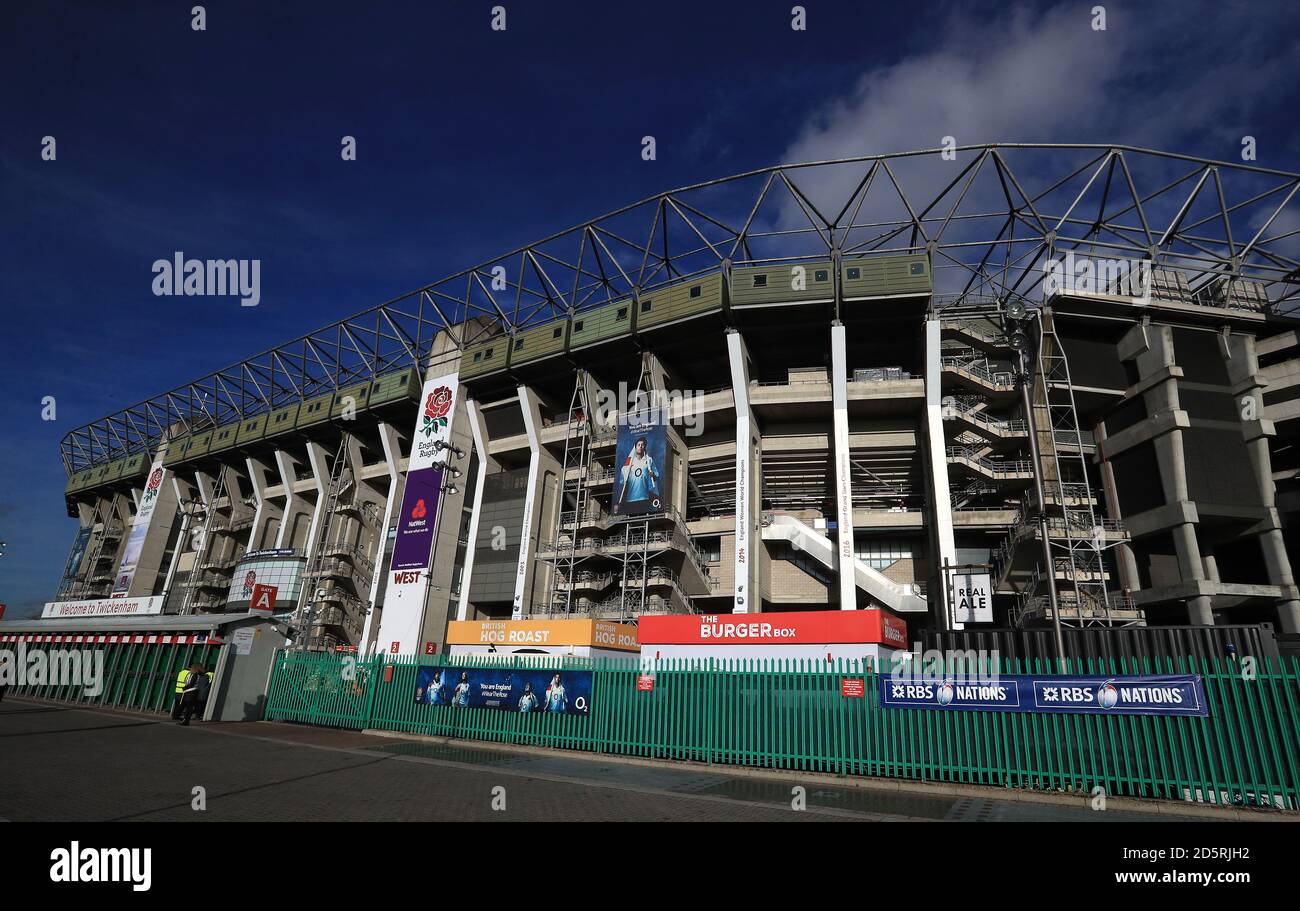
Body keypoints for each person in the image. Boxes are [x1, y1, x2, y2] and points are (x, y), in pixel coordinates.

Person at [615, 436, 659, 513]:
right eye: (638, 445)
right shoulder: (629, 463)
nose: (640, 446)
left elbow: (656, 477)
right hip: (630, 499)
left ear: (645, 447)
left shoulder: (649, 460)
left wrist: (653, 475)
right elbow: (622, 483)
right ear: (635, 447)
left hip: (645, 497)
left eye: (642, 445)